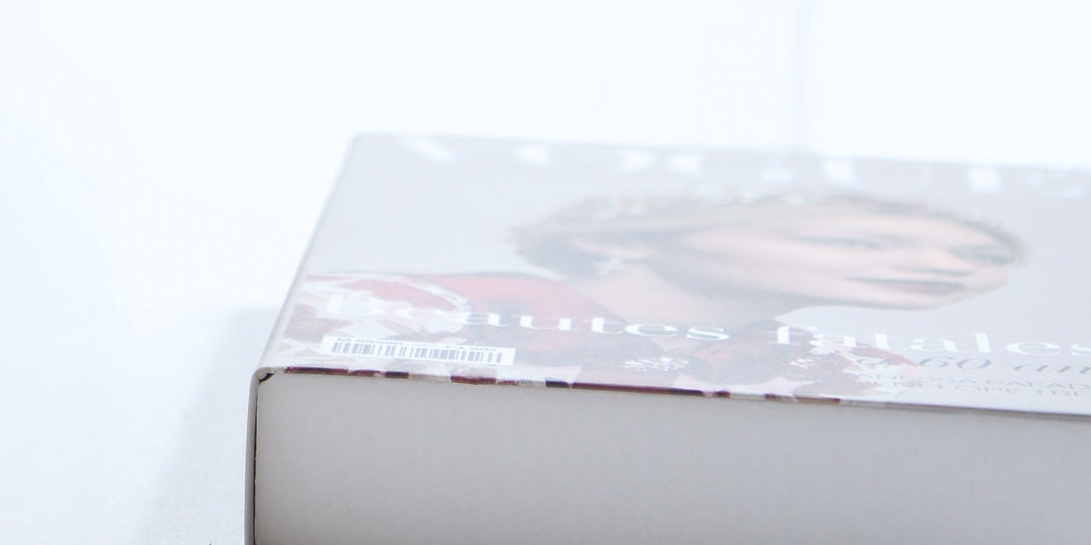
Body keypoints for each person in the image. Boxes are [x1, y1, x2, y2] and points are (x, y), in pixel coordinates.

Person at [286, 191, 1022, 398]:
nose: (943, 268)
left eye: (981, 257)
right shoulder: (397, 308)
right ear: (633, 237)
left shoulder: (857, 371)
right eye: (855, 243)